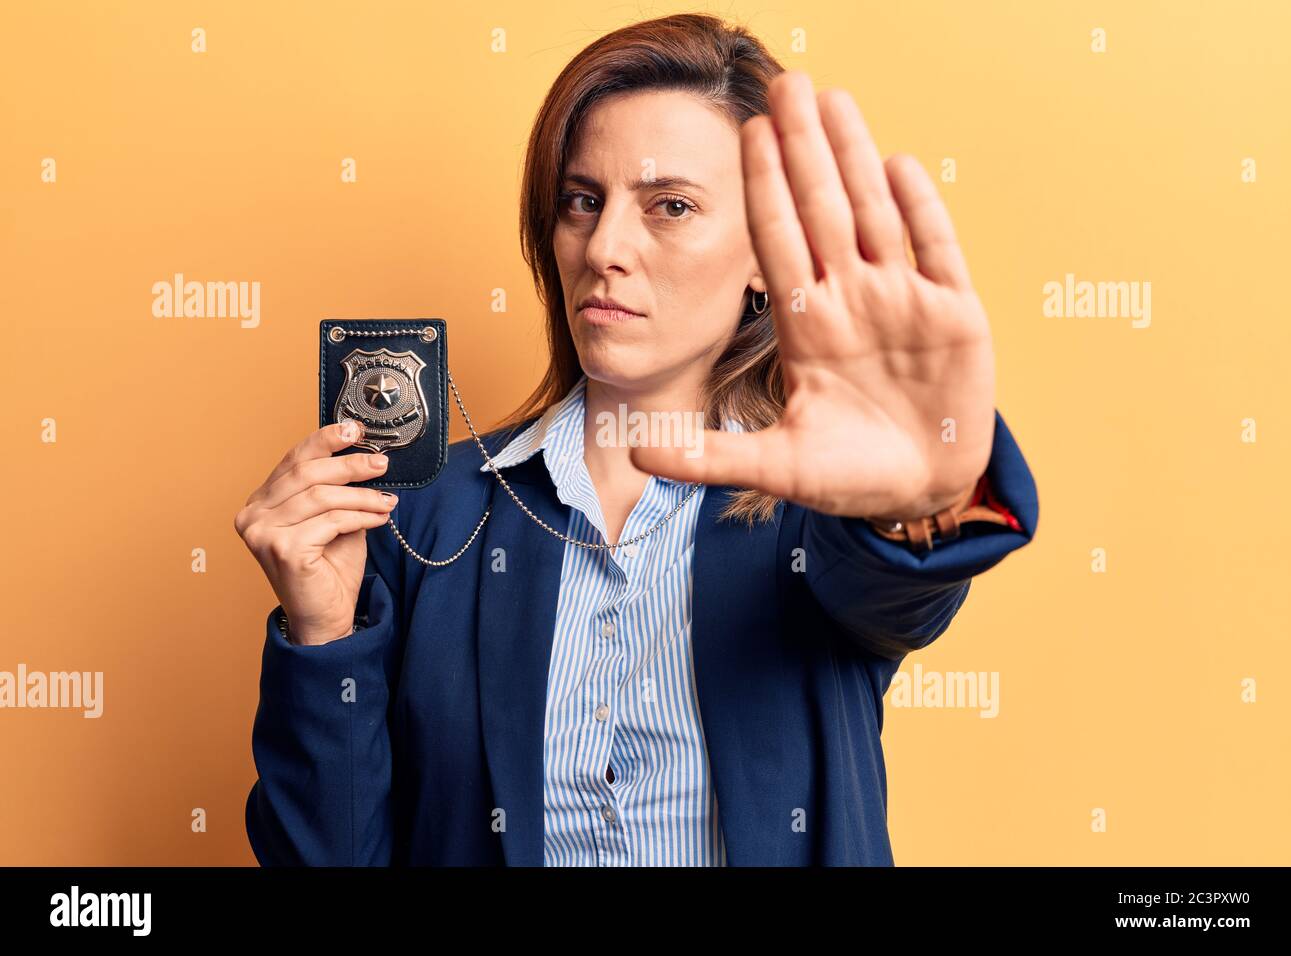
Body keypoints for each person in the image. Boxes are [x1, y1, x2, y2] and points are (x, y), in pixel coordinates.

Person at [235, 13, 1037, 866]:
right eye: (583, 201)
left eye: (671, 206)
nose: (604, 248)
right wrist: (323, 636)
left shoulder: (820, 517)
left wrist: (926, 500)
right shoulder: (424, 518)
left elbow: (897, 586)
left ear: (770, 253)